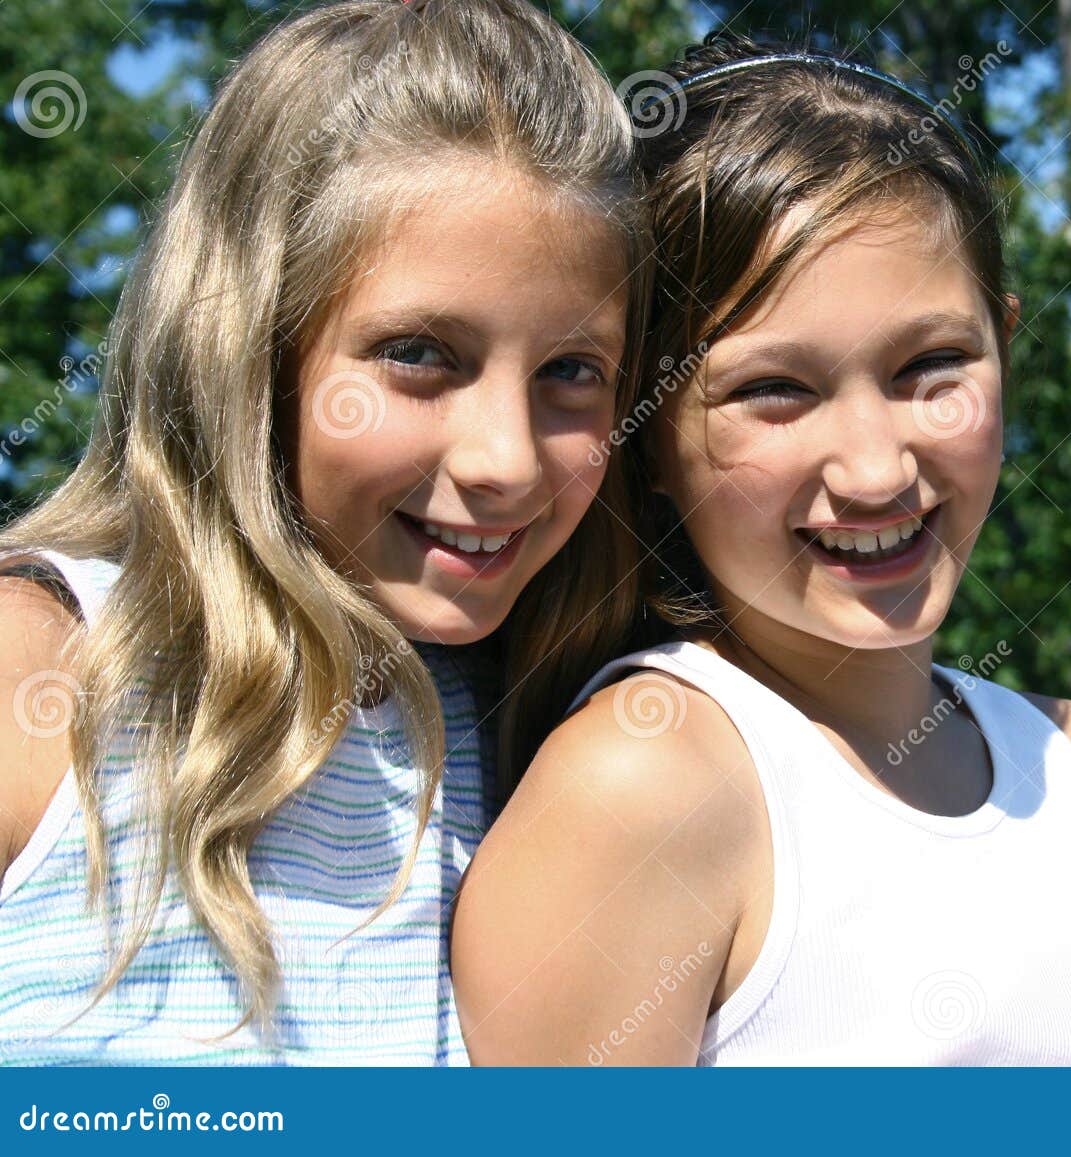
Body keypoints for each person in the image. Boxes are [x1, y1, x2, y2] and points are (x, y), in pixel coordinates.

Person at [454, 33, 1071, 1067]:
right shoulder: (646, 782)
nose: (876, 469)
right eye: (776, 390)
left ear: (1006, 349)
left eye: (929, 366)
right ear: (648, 432)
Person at [0, 0, 641, 1064]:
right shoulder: (46, 668)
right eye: (420, 353)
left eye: (571, 371)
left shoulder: (561, 740)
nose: (507, 458)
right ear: (248, 348)